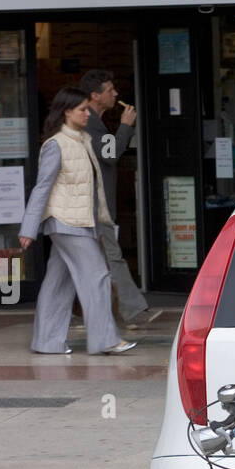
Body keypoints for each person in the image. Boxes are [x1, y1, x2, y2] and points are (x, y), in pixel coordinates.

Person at [18, 88, 136, 356]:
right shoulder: (56, 145)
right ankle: (106, 339)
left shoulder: (82, 140)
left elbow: (93, 189)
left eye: (87, 108)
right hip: (66, 221)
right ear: (66, 112)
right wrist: (29, 229)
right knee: (97, 276)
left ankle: (47, 342)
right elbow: (42, 187)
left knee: (58, 284)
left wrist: (99, 223)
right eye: (82, 109)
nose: (87, 113)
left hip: (80, 222)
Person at [79, 69, 160, 329]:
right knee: (112, 258)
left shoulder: (94, 121)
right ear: (95, 95)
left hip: (94, 204)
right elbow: (111, 154)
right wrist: (126, 126)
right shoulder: (89, 122)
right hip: (94, 205)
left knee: (88, 261)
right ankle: (133, 309)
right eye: (110, 90)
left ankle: (79, 311)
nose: (116, 94)